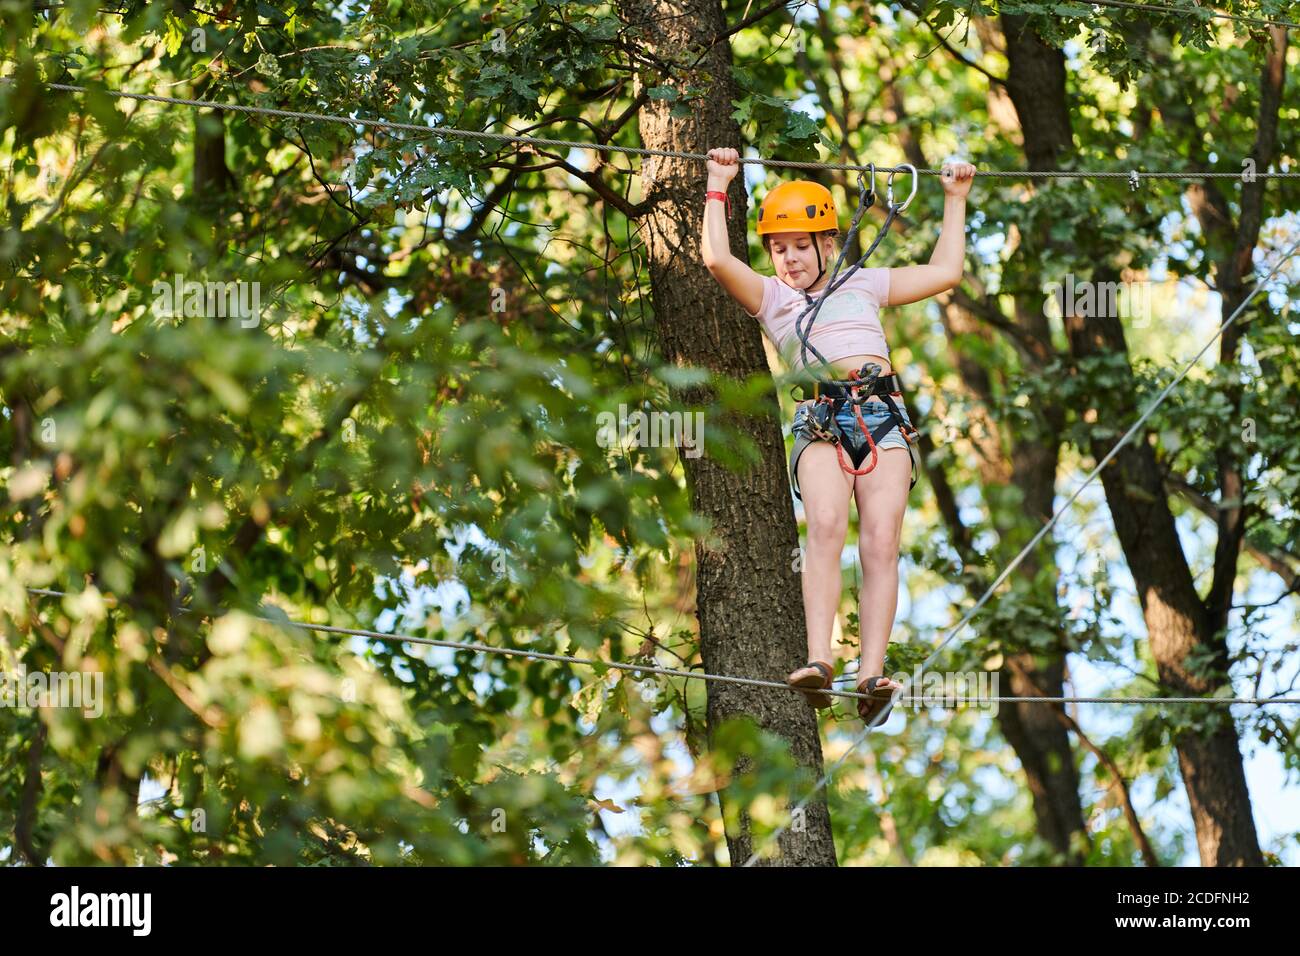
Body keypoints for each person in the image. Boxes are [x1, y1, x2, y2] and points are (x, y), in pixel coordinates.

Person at [699, 147, 975, 725]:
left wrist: (955, 199)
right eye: (779, 249)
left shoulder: (864, 281)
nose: (790, 259)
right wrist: (718, 182)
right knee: (824, 525)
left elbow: (945, 273)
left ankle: (871, 672)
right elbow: (717, 260)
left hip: (882, 415)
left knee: (880, 541)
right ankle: (820, 662)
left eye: (802, 246)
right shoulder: (773, 298)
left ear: (829, 242)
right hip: (821, 418)